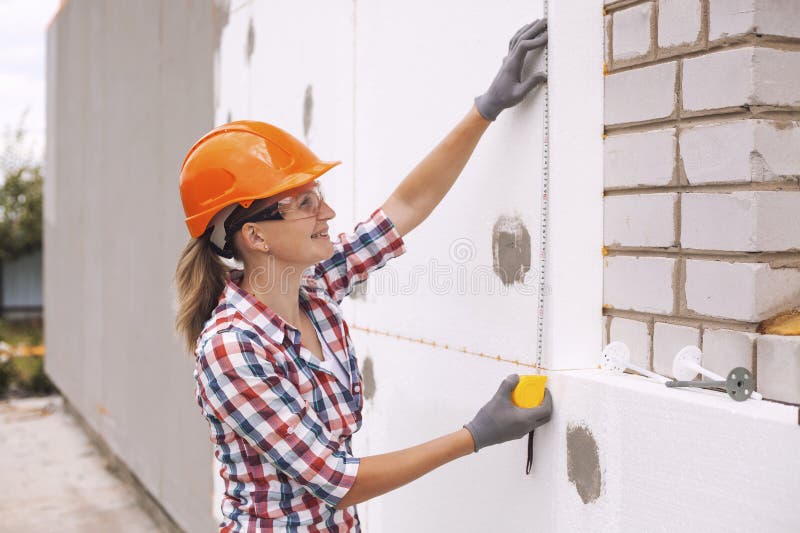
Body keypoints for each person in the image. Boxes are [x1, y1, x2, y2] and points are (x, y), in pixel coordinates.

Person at [175, 18, 552, 532]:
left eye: (320, 198)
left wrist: (484, 109)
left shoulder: (317, 287)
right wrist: (475, 435)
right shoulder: (232, 349)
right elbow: (338, 480)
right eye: (304, 203)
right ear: (256, 237)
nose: (325, 214)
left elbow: (407, 204)